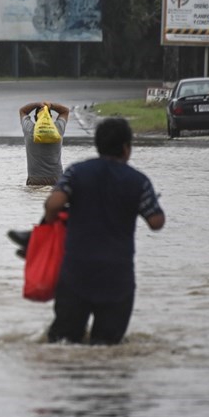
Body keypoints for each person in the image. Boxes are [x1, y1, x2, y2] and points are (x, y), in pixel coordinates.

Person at [42, 117, 166, 345]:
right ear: (127, 148)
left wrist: (51, 226)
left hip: (76, 273)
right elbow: (156, 222)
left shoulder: (77, 172)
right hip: (116, 278)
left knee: (63, 342)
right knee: (107, 346)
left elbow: (53, 204)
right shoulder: (138, 181)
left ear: (98, 145)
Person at [19, 100, 70, 186]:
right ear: (50, 117)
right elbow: (65, 111)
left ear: (35, 118)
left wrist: (36, 104)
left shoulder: (29, 130)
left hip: (35, 180)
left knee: (35, 198)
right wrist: (51, 105)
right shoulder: (58, 129)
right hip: (57, 179)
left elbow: (23, 111)